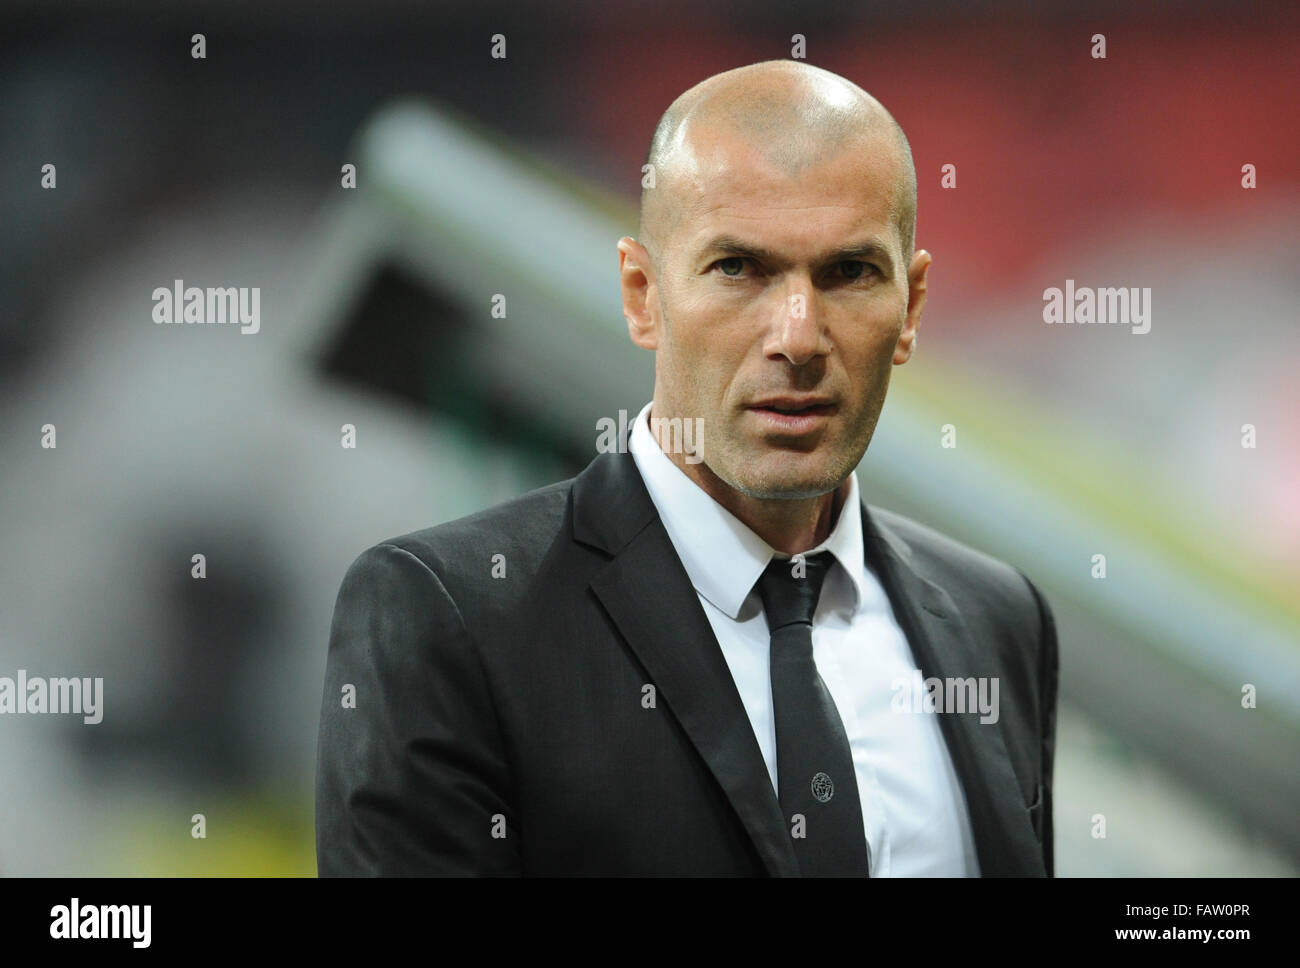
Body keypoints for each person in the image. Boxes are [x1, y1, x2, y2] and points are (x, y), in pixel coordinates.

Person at [315, 59, 1058, 876]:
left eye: (849, 273)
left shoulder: (999, 621)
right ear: (642, 294)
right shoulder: (447, 616)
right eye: (739, 268)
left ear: (911, 308)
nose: (799, 337)